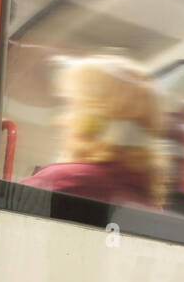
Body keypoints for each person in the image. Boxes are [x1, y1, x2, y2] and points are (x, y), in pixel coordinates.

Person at [20, 54, 166, 209]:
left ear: (96, 121)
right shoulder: (148, 200)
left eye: (73, 106)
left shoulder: (66, 181)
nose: (61, 121)